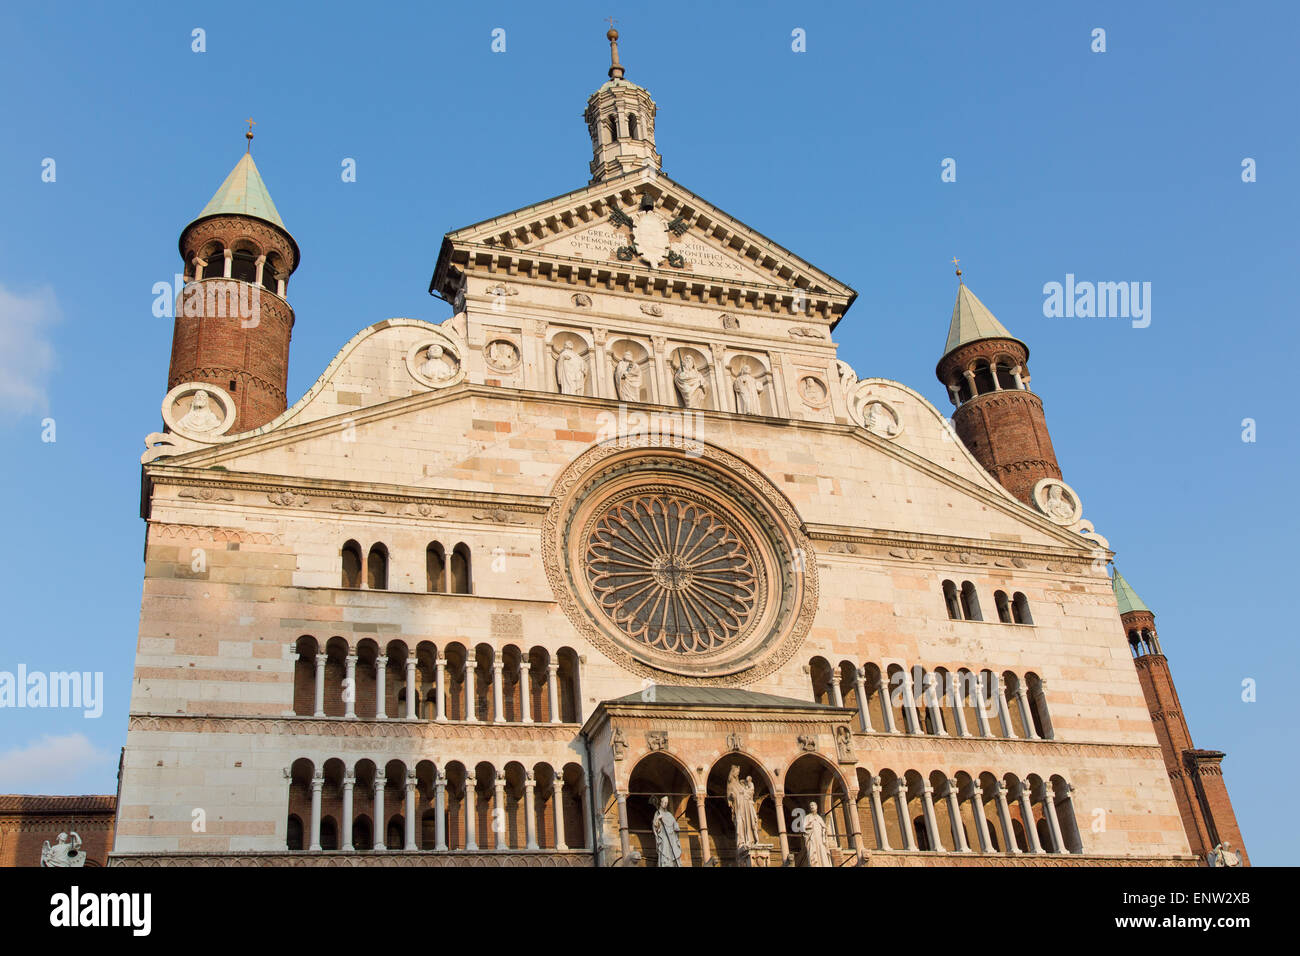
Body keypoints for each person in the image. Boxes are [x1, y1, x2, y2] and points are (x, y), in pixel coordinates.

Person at [652, 796, 682, 867]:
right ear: (661, 803)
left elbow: (674, 824)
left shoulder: (669, 814)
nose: (665, 804)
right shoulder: (658, 813)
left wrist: (676, 826)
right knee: (665, 852)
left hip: (672, 837)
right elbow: (655, 826)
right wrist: (658, 819)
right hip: (664, 836)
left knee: (673, 852)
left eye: (667, 803)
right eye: (664, 802)